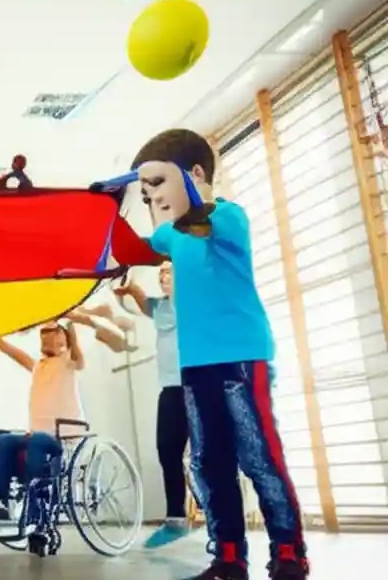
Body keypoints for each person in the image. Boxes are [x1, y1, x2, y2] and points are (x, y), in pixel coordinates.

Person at [133, 128, 306, 580]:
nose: (153, 200)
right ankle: (229, 556)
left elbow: (200, 221)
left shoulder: (229, 216)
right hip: (196, 366)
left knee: (260, 455)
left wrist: (177, 205)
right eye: (145, 193)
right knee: (209, 461)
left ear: (194, 175)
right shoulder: (172, 236)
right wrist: (102, 205)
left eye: (158, 186)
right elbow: (131, 248)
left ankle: (289, 551)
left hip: (242, 359)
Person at [114, 262, 192, 549]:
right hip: (171, 389)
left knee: (208, 454)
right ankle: (175, 520)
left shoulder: (195, 301)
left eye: (169, 271)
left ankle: (220, 518)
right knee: (167, 450)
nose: (163, 276)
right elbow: (135, 301)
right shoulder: (160, 308)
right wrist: (128, 285)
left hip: (198, 385)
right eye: (160, 273)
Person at [0, 321, 86, 524]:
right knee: (2, 443)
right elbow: (13, 352)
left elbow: (79, 358)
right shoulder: (39, 366)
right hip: (37, 434)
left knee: (37, 442)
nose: (44, 334)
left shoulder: (68, 362)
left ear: (63, 338)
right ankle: (0, 501)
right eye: (43, 331)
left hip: (64, 436)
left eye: (51, 331)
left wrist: (71, 323)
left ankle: (37, 503)